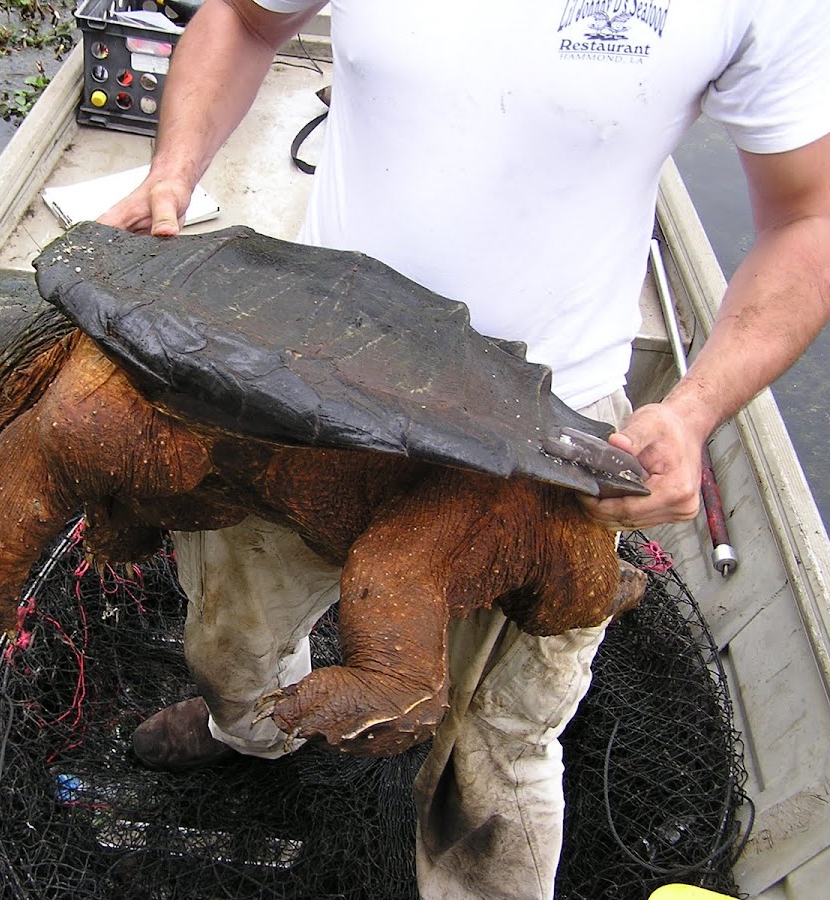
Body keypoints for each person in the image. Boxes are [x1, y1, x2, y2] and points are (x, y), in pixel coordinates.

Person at [99, 2, 830, 897]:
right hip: (317, 376)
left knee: (502, 741)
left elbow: (810, 217)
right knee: (228, 643)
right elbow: (245, 20)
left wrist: (691, 409)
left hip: (549, 427)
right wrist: (173, 172)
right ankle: (247, 733)